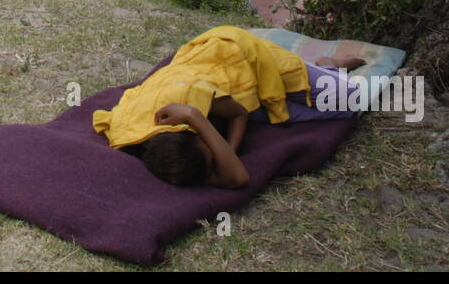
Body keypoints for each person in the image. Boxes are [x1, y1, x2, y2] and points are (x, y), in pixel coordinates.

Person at [94, 26, 365, 188]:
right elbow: (236, 178)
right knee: (341, 112)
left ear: (191, 131)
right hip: (229, 92)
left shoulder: (193, 97)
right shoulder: (157, 152)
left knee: (353, 98)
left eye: (210, 148)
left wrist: (195, 116)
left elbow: (237, 113)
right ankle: (327, 69)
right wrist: (215, 142)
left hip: (239, 55)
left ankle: (331, 65)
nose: (217, 156)